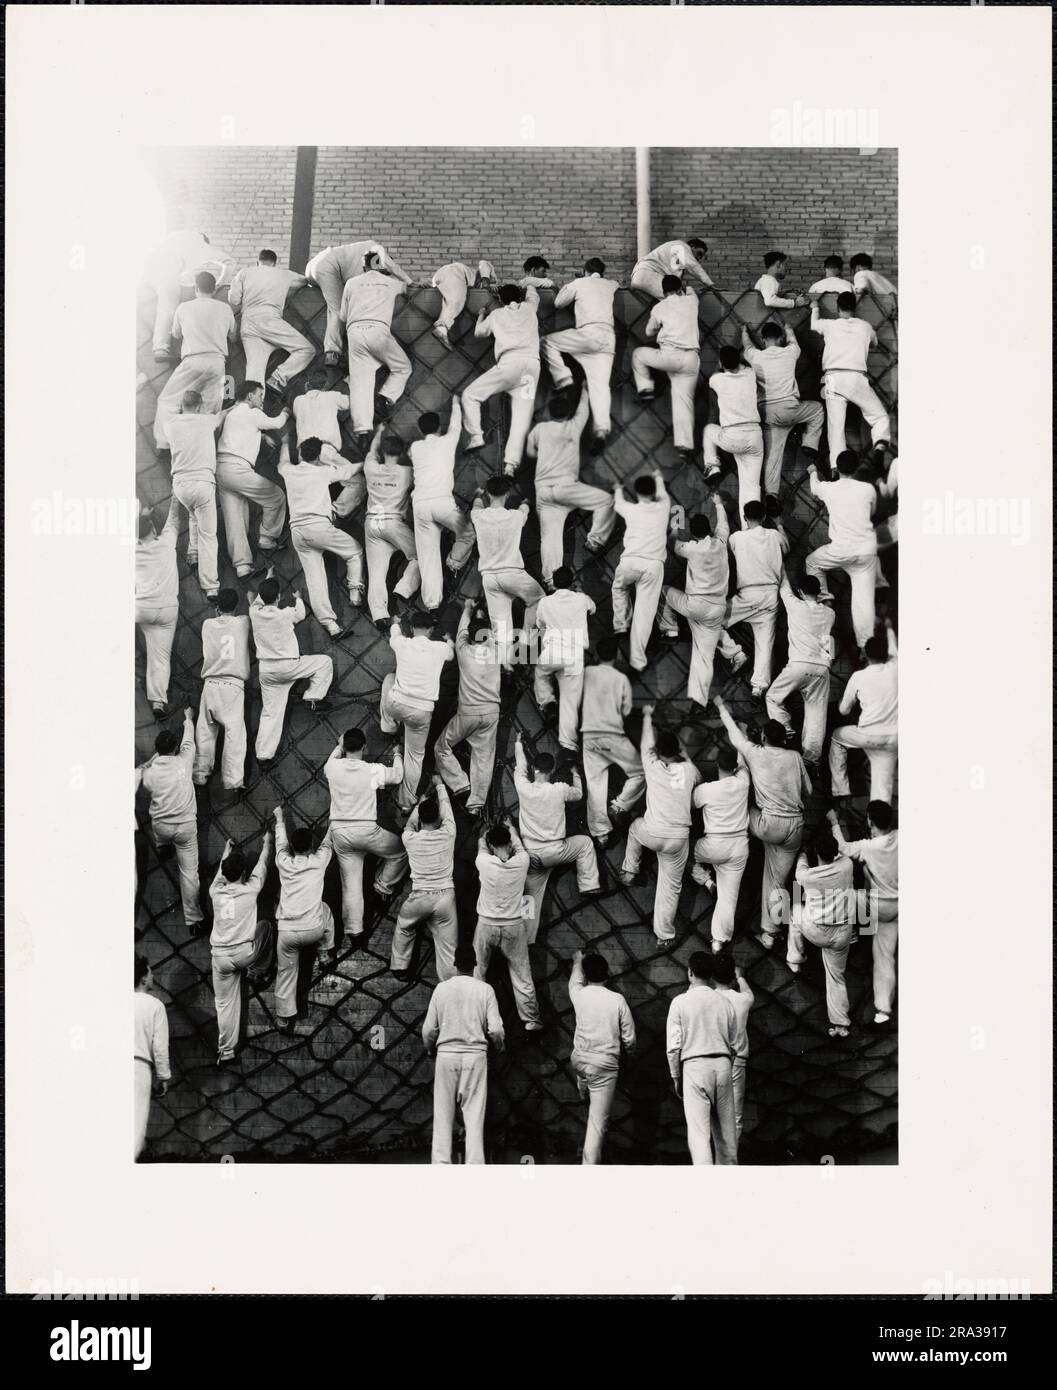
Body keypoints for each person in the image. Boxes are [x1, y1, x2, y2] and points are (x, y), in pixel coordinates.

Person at [714, 695, 811, 950]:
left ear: (764, 738)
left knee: (738, 805)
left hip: (766, 824)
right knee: (776, 882)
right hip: (794, 828)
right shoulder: (795, 757)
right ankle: (769, 934)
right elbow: (808, 791)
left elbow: (736, 737)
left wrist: (723, 708)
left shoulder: (755, 753)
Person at [619, 705, 699, 946]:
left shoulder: (651, 766)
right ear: (677, 752)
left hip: (652, 832)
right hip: (677, 839)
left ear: (657, 751)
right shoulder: (688, 769)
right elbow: (692, 769)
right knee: (670, 886)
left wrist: (646, 716)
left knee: (634, 827)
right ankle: (664, 936)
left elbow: (646, 743)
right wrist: (683, 752)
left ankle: (630, 870)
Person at [422, 943, 505, 1164]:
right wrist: (499, 1046)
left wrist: (431, 1049)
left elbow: (428, 1030)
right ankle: (474, 1170)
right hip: (475, 1056)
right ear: (475, 964)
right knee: (474, 1118)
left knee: (442, 1117)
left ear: (455, 964)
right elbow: (496, 1030)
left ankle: (440, 1167)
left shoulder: (442, 989)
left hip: (446, 1054)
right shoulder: (485, 989)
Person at [525, 387, 616, 582]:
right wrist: (583, 388)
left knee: (550, 541)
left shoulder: (539, 429)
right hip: (567, 488)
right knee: (606, 501)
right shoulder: (574, 425)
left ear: (549, 412)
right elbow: (584, 407)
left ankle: (551, 581)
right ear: (567, 413)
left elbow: (531, 453)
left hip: (543, 492)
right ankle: (594, 540)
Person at [514, 734, 600, 940]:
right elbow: (579, 794)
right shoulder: (560, 789)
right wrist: (575, 774)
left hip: (531, 855)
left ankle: (526, 939)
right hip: (557, 851)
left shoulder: (522, 786)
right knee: (586, 844)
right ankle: (589, 885)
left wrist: (518, 744)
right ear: (552, 771)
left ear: (534, 770)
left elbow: (519, 766)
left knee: (529, 897)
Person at [324, 728, 407, 938]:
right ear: (365, 747)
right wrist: (397, 753)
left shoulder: (331, 767)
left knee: (350, 885)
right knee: (401, 851)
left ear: (344, 747)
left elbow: (334, 755)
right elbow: (398, 776)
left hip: (340, 832)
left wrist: (339, 745)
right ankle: (383, 885)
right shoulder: (372, 770)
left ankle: (354, 929)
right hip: (367, 830)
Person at [279, 434, 364, 639]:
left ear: (300, 454)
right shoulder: (323, 472)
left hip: (298, 532)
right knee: (354, 551)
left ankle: (331, 626)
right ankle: (354, 592)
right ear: (318, 457)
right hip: (320, 527)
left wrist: (283, 443)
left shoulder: (289, 471)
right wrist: (366, 462)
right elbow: (349, 470)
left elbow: (281, 463)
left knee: (315, 579)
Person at [248, 574, 334, 764]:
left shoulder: (254, 613)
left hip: (267, 671)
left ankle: (264, 755)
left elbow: (257, 601)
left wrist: (268, 577)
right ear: (278, 597)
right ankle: (313, 696)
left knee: (271, 713)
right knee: (324, 662)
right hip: (290, 665)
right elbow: (301, 614)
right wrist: (298, 598)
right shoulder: (285, 614)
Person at [830, 800, 898, 1026]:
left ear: (870, 821)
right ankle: (883, 1010)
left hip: (877, 907)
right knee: (885, 957)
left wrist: (833, 822)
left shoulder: (869, 847)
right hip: (899, 906)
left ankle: (850, 931)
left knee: (845, 895)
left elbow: (843, 847)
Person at [665, 952, 738, 1165]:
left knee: (699, 1138)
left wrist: (676, 1077)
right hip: (723, 1065)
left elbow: (673, 1047)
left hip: (695, 1067)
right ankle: (732, 1189)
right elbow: (734, 1045)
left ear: (690, 973)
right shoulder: (725, 1002)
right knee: (727, 1137)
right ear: (711, 974)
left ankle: (706, 1191)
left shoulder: (680, 1002)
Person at [208, 833, 275, 1064]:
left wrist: (226, 852)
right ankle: (258, 971)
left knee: (225, 1005)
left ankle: (226, 1052)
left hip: (221, 958)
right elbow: (262, 865)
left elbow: (219, 873)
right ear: (243, 874)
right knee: (266, 927)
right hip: (245, 954)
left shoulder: (215, 891)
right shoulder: (251, 889)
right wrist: (267, 843)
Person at [344, 424, 420, 626]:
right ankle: (404, 588)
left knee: (377, 575)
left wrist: (378, 432)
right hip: (394, 523)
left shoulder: (371, 467)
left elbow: (371, 451)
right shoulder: (407, 472)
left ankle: (379, 614)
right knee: (420, 556)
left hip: (373, 524)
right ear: (401, 452)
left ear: (383, 452)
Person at [658, 497, 731, 708]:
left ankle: (670, 629)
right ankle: (699, 701)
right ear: (710, 529)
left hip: (694, 604)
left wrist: (674, 527)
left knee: (663, 592)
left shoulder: (691, 548)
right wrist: (718, 503)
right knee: (704, 657)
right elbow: (723, 525)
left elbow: (673, 544)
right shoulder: (721, 543)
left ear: (693, 533)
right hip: (717, 608)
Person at [804, 450, 880, 652]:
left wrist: (813, 471)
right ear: (856, 468)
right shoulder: (868, 489)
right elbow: (871, 512)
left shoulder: (829, 488)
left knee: (812, 561)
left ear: (837, 468)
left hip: (840, 550)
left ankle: (824, 600)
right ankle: (865, 647)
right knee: (863, 603)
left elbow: (814, 488)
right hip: (866, 551)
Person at [136, 706, 203, 930]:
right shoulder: (184, 763)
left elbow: (143, 774)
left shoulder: (150, 773)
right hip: (185, 827)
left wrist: (152, 761)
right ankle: (193, 920)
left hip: (161, 826)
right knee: (189, 874)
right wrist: (187, 719)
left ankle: (163, 846)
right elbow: (188, 742)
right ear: (175, 749)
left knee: (158, 822)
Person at [380, 612, 455, 811]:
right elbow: (451, 653)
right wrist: (449, 641)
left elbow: (393, 635)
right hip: (420, 712)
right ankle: (405, 803)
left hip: (396, 704)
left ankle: (388, 724)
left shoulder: (402, 643)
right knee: (414, 757)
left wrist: (395, 623)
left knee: (389, 680)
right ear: (431, 629)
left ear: (412, 628)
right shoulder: (439, 648)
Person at [541, 258, 620, 449]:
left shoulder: (579, 283)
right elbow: (615, 283)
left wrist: (575, 283)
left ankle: (563, 378)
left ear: (584, 270)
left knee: (546, 342)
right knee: (600, 387)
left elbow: (559, 303)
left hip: (587, 334)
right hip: (607, 338)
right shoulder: (611, 284)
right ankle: (601, 430)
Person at [741, 321, 824, 500]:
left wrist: (744, 331)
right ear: (780, 339)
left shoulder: (756, 356)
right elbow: (793, 340)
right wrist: (789, 328)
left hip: (767, 414)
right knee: (817, 410)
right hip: (789, 410)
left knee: (772, 458)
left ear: (763, 341)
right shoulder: (790, 352)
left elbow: (747, 346)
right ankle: (810, 444)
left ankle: (771, 493)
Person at [153, 271, 235, 451]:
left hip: (193, 360)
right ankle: (203, 447)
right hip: (217, 363)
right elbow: (233, 335)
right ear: (214, 289)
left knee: (167, 401)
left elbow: (176, 334)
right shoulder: (225, 308)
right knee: (210, 408)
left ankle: (165, 444)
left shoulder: (184, 307)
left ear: (196, 288)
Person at [434, 600, 502, 816]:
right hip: (491, 712)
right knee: (484, 757)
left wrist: (468, 609)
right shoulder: (496, 650)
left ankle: (460, 784)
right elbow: (491, 633)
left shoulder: (463, 651)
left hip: (468, 713)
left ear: (471, 638)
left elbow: (462, 630)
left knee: (442, 747)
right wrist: (483, 614)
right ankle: (476, 805)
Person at [464, 283, 542, 471]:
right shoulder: (530, 308)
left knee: (470, 395)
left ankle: (476, 437)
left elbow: (479, 332)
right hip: (531, 367)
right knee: (521, 418)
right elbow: (533, 290)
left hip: (509, 365)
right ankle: (510, 467)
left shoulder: (496, 314)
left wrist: (482, 314)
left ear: (500, 300)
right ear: (521, 296)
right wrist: (527, 286)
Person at [215, 380, 288, 578]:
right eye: (260, 396)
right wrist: (287, 411)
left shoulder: (231, 412)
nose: (262, 400)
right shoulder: (253, 412)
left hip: (221, 468)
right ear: (250, 397)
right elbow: (277, 423)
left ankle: (242, 567)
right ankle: (267, 537)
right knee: (276, 497)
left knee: (235, 518)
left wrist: (261, 436)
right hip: (238, 468)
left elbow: (240, 430)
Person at [568, 950, 636, 1164]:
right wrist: (629, 1055)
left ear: (586, 976)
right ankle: (589, 1170)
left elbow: (575, 978)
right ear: (607, 974)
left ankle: (583, 1088)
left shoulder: (578, 993)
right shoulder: (617, 999)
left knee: (585, 1073)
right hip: (604, 1065)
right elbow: (630, 1038)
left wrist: (578, 960)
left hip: (579, 1060)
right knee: (597, 1124)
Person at [473, 819, 542, 1031]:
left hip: (486, 925)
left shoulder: (483, 862)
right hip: (513, 926)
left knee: (479, 972)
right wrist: (511, 828)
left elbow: (481, 845)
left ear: (492, 845)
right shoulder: (522, 861)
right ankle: (531, 1020)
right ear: (509, 843)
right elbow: (520, 846)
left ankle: (477, 1019)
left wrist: (485, 834)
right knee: (522, 974)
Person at [408, 396, 475, 611]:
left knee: (428, 556)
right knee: (468, 533)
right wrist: (455, 403)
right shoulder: (448, 441)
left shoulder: (415, 448)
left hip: (420, 505)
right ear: (439, 427)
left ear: (421, 430)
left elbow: (412, 453)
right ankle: (454, 563)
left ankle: (433, 604)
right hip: (443, 503)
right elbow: (456, 425)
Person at [272, 806, 335, 1033]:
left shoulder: (283, 862)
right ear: (310, 847)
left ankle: (283, 1018)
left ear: (292, 848)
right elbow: (328, 843)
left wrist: (279, 818)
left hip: (287, 933)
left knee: (286, 973)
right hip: (313, 929)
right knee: (325, 909)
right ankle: (325, 952)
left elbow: (280, 843)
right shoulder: (318, 861)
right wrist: (333, 821)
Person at [788, 832, 857, 1038]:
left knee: (793, 911)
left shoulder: (807, 876)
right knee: (836, 977)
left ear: (817, 853)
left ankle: (795, 959)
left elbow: (800, 866)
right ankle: (841, 1025)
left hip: (816, 931)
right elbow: (844, 852)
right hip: (843, 933)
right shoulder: (847, 865)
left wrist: (802, 853)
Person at [719, 497, 788, 698]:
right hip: (770, 596)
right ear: (765, 517)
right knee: (765, 642)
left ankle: (735, 652)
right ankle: (759, 687)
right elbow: (786, 547)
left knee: (710, 620)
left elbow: (730, 551)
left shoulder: (736, 538)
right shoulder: (775, 535)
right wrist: (779, 524)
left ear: (744, 517)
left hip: (747, 596)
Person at [810, 292, 891, 464]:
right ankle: (880, 445)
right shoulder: (865, 326)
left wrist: (815, 307)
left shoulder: (829, 325)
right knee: (880, 417)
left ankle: (836, 470)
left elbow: (813, 324)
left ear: (837, 307)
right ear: (855, 307)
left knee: (835, 429)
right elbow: (874, 343)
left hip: (832, 379)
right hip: (856, 377)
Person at [580, 635, 646, 845]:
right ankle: (619, 805)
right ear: (617, 656)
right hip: (613, 736)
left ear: (597, 655)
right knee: (641, 771)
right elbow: (626, 710)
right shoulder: (621, 679)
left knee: (595, 784)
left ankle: (600, 834)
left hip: (589, 736)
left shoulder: (585, 674)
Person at [766, 572, 836, 770]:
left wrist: (779, 560)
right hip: (822, 668)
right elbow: (828, 639)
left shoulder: (795, 605)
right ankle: (811, 760)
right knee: (816, 715)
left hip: (798, 664)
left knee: (772, 697)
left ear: (800, 592)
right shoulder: (830, 614)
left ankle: (786, 730)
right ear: (819, 592)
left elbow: (783, 585)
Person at [391, 779, 458, 983]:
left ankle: (400, 967)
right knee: (448, 948)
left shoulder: (410, 838)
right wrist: (440, 786)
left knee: (404, 927)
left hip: (418, 898)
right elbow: (447, 811)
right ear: (438, 819)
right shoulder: (448, 833)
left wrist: (420, 802)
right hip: (445, 898)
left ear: (421, 820)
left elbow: (410, 824)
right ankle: (449, 983)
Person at [341, 251, 413, 439]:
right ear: (380, 265)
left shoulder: (351, 282)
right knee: (403, 367)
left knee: (360, 384)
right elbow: (409, 288)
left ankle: (362, 432)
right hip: (378, 330)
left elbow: (342, 316)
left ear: (363, 266)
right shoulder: (391, 282)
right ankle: (384, 397)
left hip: (354, 332)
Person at [470, 475, 544, 656]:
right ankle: (527, 642)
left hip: (489, 578)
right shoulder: (515, 517)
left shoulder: (478, 516)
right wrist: (526, 501)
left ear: (488, 493)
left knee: (501, 629)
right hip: (513, 574)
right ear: (508, 493)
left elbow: (476, 505)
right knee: (539, 599)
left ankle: (506, 665)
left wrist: (478, 496)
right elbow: (524, 509)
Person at [305, 239, 410, 364]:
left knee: (335, 304)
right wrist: (410, 282)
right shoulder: (376, 248)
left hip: (312, 267)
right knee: (337, 310)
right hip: (326, 267)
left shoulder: (361, 260)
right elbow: (393, 267)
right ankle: (332, 353)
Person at [630, 275, 700, 461]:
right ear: (680, 289)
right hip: (691, 359)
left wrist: (662, 328)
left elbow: (648, 332)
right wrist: (687, 288)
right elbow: (692, 290)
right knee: (683, 402)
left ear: (663, 292)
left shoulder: (660, 307)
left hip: (669, 356)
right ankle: (684, 446)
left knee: (638, 354)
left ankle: (646, 389)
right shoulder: (692, 300)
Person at [829, 622, 898, 802]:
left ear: (865, 654)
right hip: (894, 737)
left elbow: (844, 711)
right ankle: (878, 824)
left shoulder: (858, 677)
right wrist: (889, 627)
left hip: (868, 735)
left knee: (837, 737)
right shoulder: (895, 668)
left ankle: (840, 790)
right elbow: (893, 648)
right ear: (887, 655)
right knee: (882, 788)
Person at [227, 248, 313, 392]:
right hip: (270, 320)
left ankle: (251, 410)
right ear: (274, 263)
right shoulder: (284, 274)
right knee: (306, 349)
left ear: (257, 262)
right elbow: (305, 281)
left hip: (249, 323)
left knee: (254, 375)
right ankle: (278, 378)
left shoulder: (245, 272)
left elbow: (234, 299)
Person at [143, 229, 236, 361]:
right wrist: (218, 285)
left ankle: (161, 345)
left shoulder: (182, 237)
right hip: (165, 268)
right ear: (206, 241)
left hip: (148, 264)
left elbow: (185, 275)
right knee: (169, 302)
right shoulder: (204, 247)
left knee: (168, 298)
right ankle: (160, 347)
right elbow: (230, 262)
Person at [691, 745, 750, 951]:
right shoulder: (743, 782)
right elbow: (743, 765)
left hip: (713, 846)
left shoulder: (706, 790)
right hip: (739, 847)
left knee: (679, 850)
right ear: (735, 767)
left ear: (717, 764)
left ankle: (705, 879)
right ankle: (718, 941)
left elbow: (690, 803)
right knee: (728, 897)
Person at [164, 388, 222, 599]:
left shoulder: (170, 425)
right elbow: (222, 415)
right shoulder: (206, 421)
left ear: (182, 406)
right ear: (198, 406)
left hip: (180, 484)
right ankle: (211, 585)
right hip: (202, 482)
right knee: (209, 535)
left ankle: (192, 553)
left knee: (192, 514)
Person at [611, 469, 671, 671]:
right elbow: (662, 492)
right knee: (644, 614)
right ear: (654, 492)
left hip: (629, 562)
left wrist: (618, 489)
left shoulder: (631, 509)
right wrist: (658, 477)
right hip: (653, 565)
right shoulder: (664, 506)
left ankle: (620, 624)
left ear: (636, 493)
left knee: (619, 588)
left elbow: (618, 503)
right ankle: (637, 660)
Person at [193, 589, 251, 792]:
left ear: (217, 608)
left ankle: (200, 774)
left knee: (205, 731)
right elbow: (250, 608)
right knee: (235, 734)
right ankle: (233, 780)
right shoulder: (243, 622)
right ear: (236, 607)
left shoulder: (207, 624)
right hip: (233, 687)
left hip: (210, 684)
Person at [533, 568, 596, 751]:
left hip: (552, 652)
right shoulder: (581, 598)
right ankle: (568, 746)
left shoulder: (545, 602)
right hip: (574, 655)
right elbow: (593, 609)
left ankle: (548, 703)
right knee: (570, 701)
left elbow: (539, 624)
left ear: (554, 582)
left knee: (541, 673)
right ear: (572, 582)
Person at [702, 344, 764, 513]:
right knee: (751, 488)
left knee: (708, 430)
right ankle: (750, 528)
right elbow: (744, 367)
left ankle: (712, 465)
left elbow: (716, 375)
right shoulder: (750, 374)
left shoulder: (717, 380)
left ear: (722, 364)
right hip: (754, 435)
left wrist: (721, 365)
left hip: (732, 436)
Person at [136, 497, 182, 718]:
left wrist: (142, 517)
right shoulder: (166, 544)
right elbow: (174, 520)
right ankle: (158, 702)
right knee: (160, 657)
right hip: (166, 609)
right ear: (154, 529)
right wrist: (175, 497)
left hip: (141, 607)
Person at [711, 953, 754, 1144]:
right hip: (737, 1063)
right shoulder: (744, 1000)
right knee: (735, 1115)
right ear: (732, 976)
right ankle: (730, 1160)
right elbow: (748, 993)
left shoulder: (707, 999)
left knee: (711, 1113)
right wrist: (741, 977)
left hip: (711, 1060)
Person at [134, 956, 171, 1158]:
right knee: (135, 1127)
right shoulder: (155, 1006)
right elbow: (160, 1046)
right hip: (139, 1067)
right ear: (143, 979)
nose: (153, 976)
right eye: (150, 973)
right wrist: (163, 1076)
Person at [430, 258, 495, 348]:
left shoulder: (468, 281)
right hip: (453, 272)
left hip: (440, 275)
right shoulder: (477, 273)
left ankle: (449, 334)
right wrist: (486, 283)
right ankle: (441, 329)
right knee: (457, 301)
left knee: (449, 303)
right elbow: (484, 263)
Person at [292, 368, 350, 458]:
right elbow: (354, 402)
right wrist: (349, 383)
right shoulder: (331, 396)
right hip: (326, 450)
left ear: (307, 384)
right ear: (326, 385)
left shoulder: (297, 401)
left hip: (304, 453)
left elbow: (300, 417)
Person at [631, 237, 712, 299]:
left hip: (643, 277)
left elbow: (675, 282)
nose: (699, 258)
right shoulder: (682, 246)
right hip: (648, 275)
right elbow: (693, 266)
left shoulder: (677, 257)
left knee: (678, 299)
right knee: (681, 301)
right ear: (692, 246)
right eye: (699, 253)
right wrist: (710, 284)